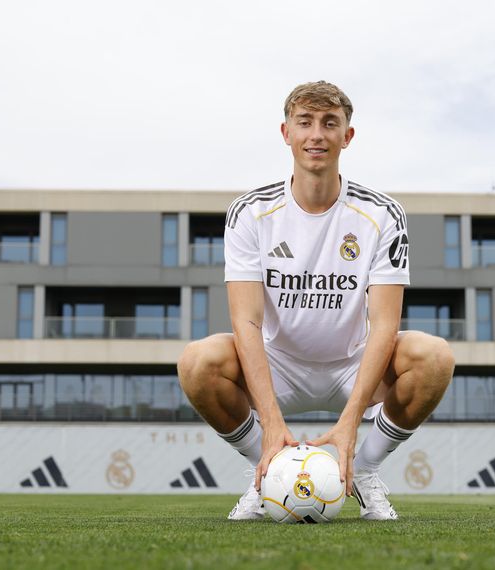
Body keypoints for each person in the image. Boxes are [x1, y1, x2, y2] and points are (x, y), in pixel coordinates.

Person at [178, 81, 455, 521]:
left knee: (435, 357)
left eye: (330, 124)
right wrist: (272, 425)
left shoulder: (382, 213)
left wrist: (350, 425)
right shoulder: (250, 212)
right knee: (197, 362)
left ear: (347, 136)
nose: (316, 135)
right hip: (279, 366)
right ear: (286, 133)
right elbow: (246, 322)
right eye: (304, 123)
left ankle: (364, 470)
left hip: (352, 364)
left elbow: (384, 324)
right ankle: (268, 469)